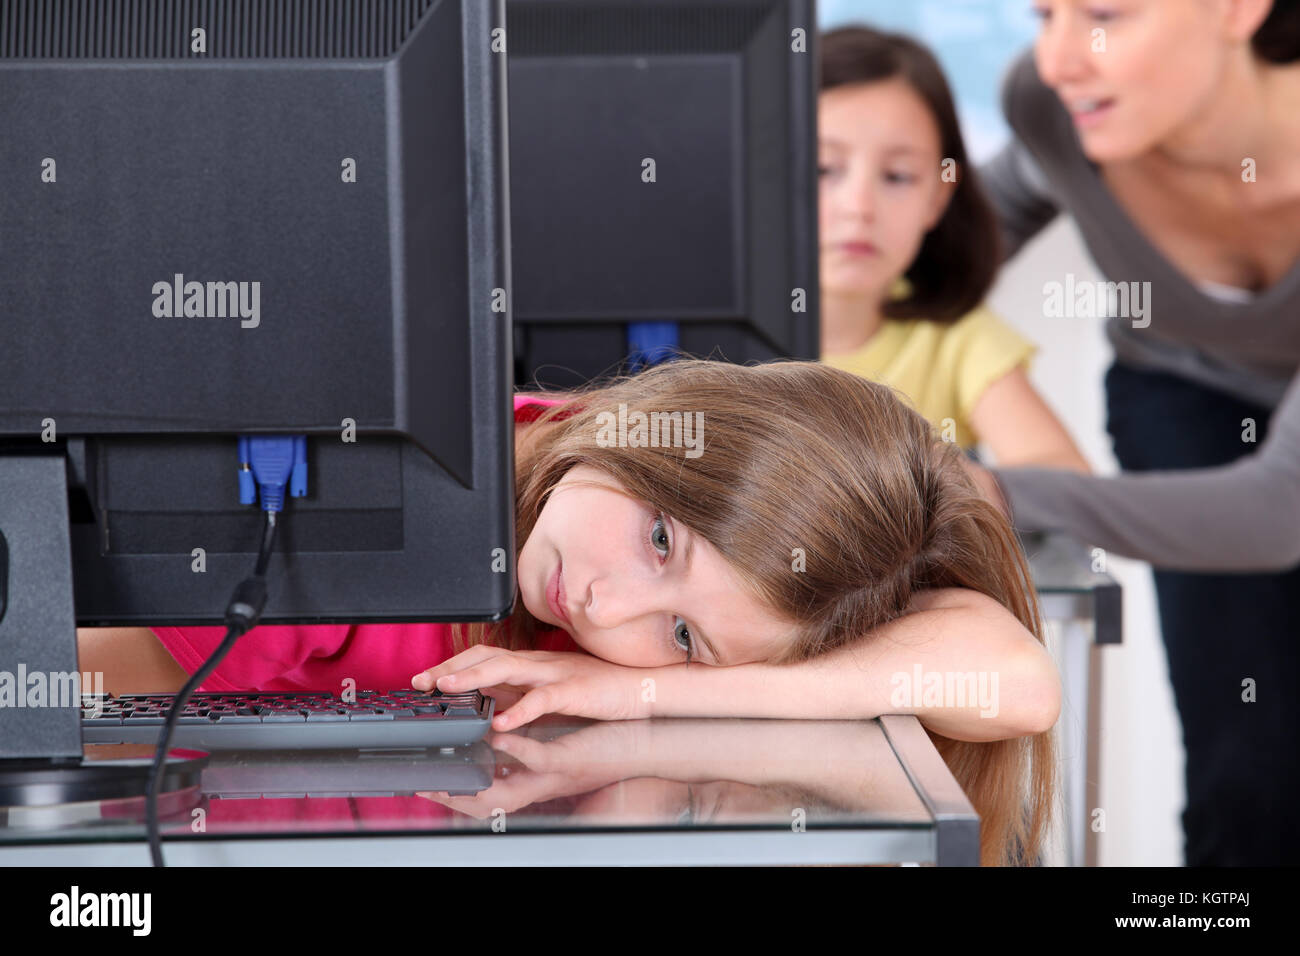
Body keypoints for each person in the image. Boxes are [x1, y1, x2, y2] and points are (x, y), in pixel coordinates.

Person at [81, 358, 1059, 866]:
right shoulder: (398, 480)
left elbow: (1014, 678)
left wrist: (644, 694)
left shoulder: (621, 650)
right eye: (661, 539)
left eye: (682, 634)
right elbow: (83, 675)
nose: (605, 601)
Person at [973, 0, 1300, 865]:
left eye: (1104, 14)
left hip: (1279, 487)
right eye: (1045, 15)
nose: (1057, 59)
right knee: (1247, 761)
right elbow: (955, 246)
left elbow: (1280, 511)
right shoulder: (1056, 110)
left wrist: (999, 491)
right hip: (1180, 395)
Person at [818, 25, 1090, 470]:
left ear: (937, 198)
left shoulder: (955, 335)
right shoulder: (709, 343)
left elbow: (1065, 478)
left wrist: (930, 491)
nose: (859, 208)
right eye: (822, 169)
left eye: (898, 176)